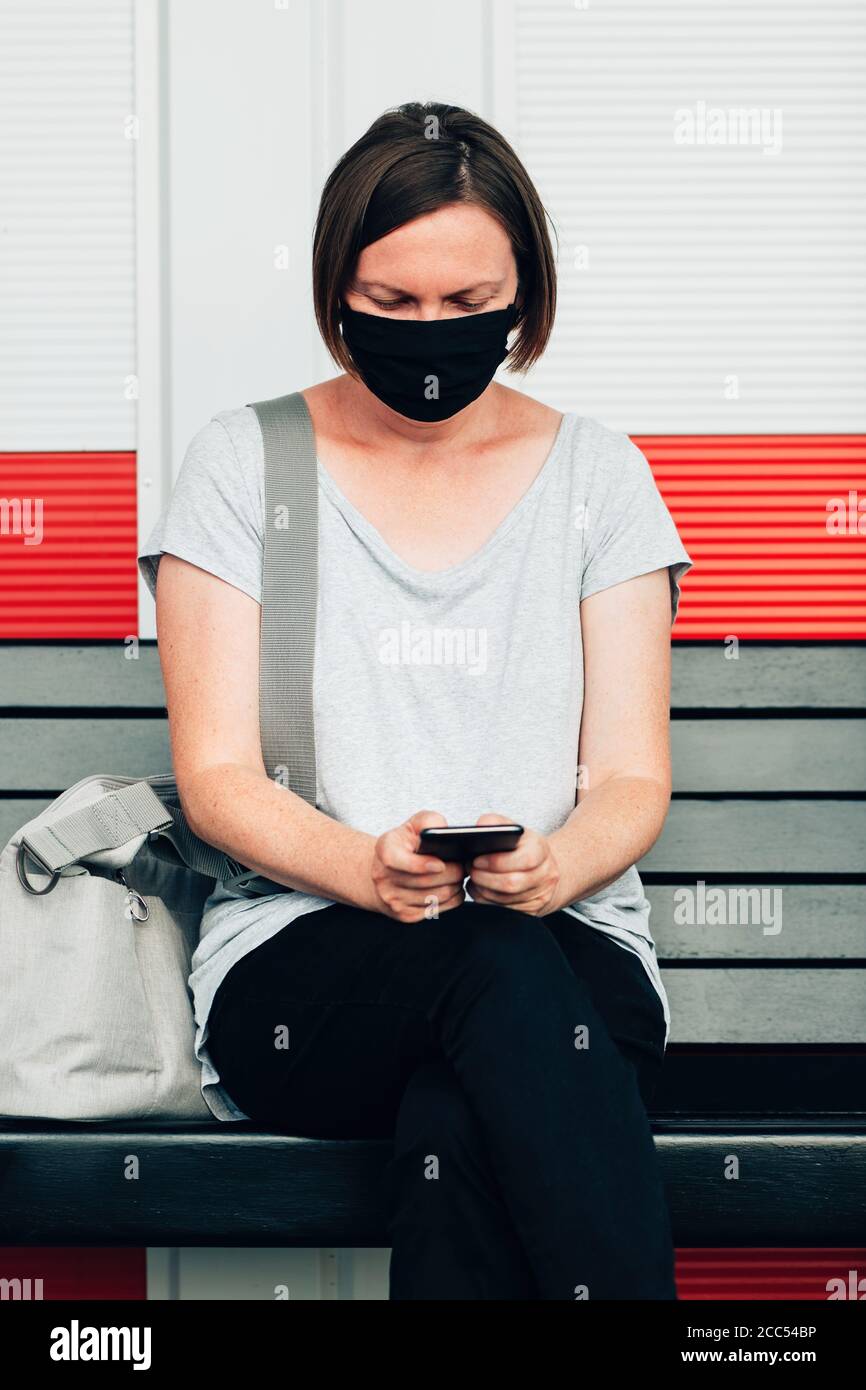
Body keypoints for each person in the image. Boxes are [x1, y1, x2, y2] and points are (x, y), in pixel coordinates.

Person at [138, 100, 692, 1300]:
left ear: (526, 298)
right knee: (487, 984)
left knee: (456, 1118)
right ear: (337, 292)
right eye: (391, 306)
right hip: (306, 967)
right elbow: (219, 776)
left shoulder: (598, 477)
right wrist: (363, 868)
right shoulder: (245, 465)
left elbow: (631, 776)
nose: (430, 334)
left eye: (465, 305)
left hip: (566, 955)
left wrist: (555, 867)